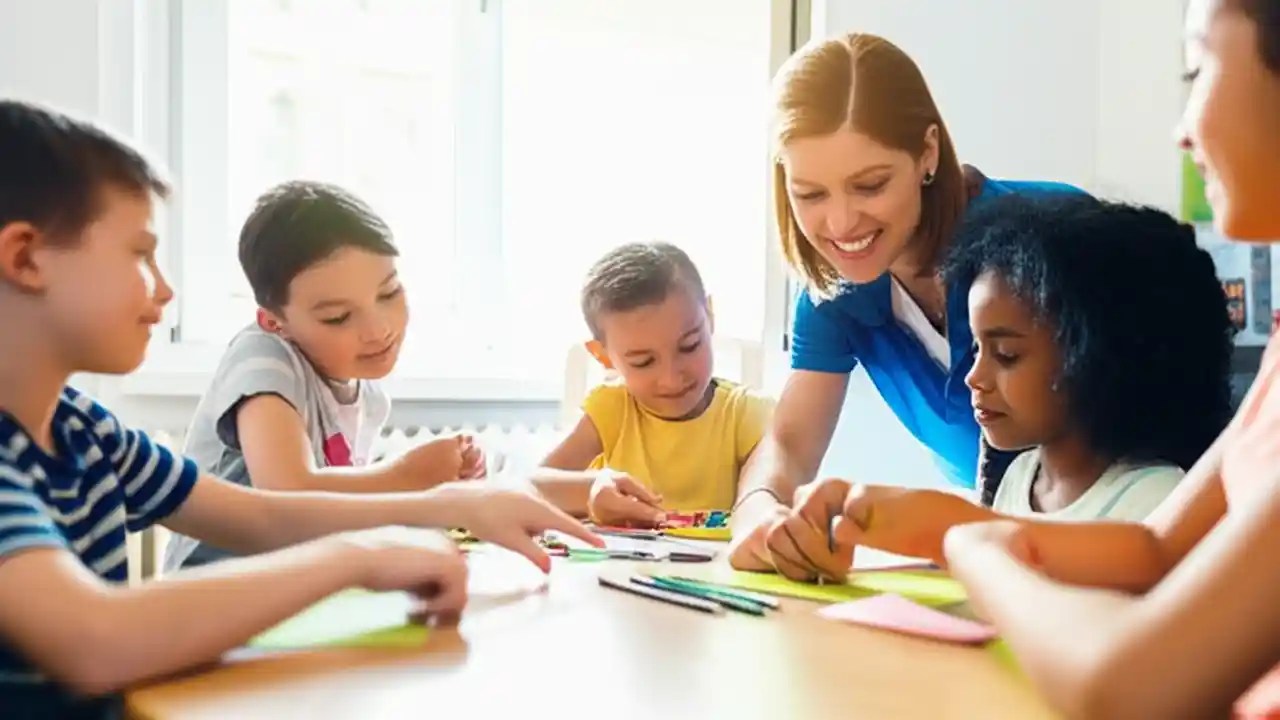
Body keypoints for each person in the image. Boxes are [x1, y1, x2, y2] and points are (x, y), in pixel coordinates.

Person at [0, 99, 600, 719]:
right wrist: (356, 558)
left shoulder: (88, 432)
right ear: (25, 258)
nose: (167, 287)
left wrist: (458, 503)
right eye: (140, 254)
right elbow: (93, 642)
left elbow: (261, 516)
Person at [728, 32, 1081, 573]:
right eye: (811, 194)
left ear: (927, 153)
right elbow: (789, 445)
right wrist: (758, 515)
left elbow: (1160, 442)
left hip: (1113, 532)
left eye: (869, 186)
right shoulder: (833, 294)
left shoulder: (1058, 233)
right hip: (994, 550)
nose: (841, 224)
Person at [767, 194, 1234, 581]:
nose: (974, 376)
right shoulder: (1020, 477)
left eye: (1006, 355)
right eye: (975, 349)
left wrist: (940, 527)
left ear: (1100, 358)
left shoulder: (1155, 500)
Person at [165, 181, 484, 570]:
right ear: (274, 322)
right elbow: (287, 492)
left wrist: (437, 481)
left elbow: (334, 510)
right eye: (338, 317)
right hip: (214, 590)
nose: (378, 329)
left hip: (294, 577)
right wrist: (407, 476)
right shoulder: (263, 357)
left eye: (389, 293)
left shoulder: (364, 389)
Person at [532, 242, 773, 526]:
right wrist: (590, 489)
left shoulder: (746, 415)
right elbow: (529, 487)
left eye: (690, 346)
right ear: (603, 355)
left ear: (709, 316)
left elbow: (770, 507)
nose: (672, 379)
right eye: (643, 362)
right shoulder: (611, 409)